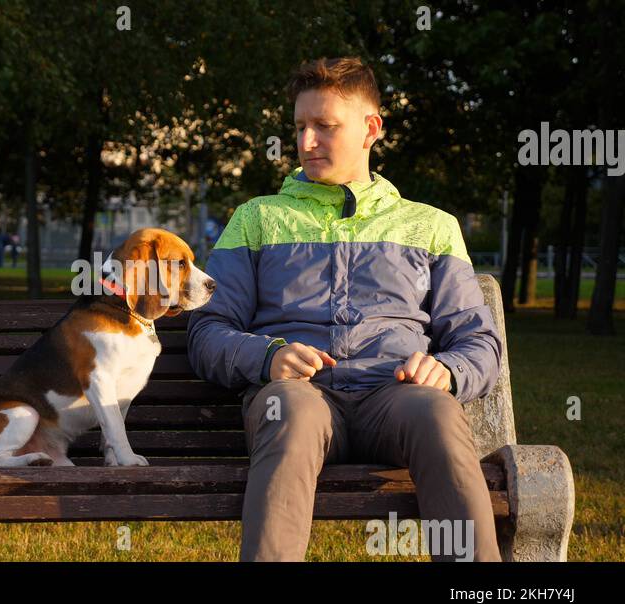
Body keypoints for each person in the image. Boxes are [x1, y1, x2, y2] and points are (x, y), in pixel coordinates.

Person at [187, 57, 503, 562]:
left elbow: (479, 341)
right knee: (287, 408)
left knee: (438, 415)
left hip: (397, 396)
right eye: (299, 127)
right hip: (301, 397)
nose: (307, 141)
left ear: (370, 128)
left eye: (325, 127)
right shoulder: (256, 219)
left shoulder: (431, 227)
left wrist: (446, 368)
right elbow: (207, 330)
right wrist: (267, 357)